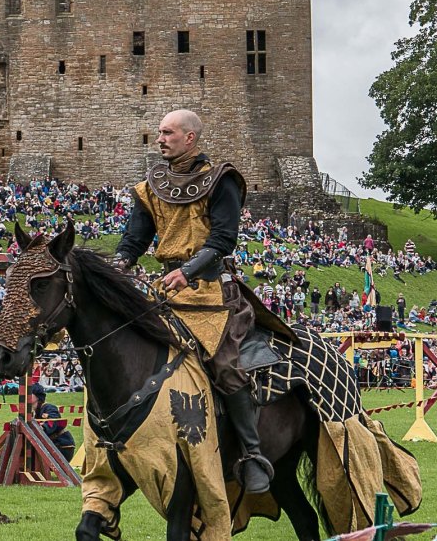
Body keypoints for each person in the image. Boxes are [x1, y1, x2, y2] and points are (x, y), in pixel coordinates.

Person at [113, 108, 272, 494]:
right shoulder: (151, 186)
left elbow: (223, 241)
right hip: (166, 289)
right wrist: (117, 266)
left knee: (224, 363)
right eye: (159, 133)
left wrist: (188, 271)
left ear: (190, 138)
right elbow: (135, 239)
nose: (161, 139)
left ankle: (252, 455)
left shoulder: (221, 181)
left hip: (211, 291)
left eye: (168, 133)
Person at [28, 382, 74, 460]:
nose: (27, 396)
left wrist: (42, 428)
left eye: (30, 393)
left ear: (37, 396)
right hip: (50, 446)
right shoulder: (33, 412)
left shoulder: (49, 408)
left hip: (61, 446)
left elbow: (53, 422)